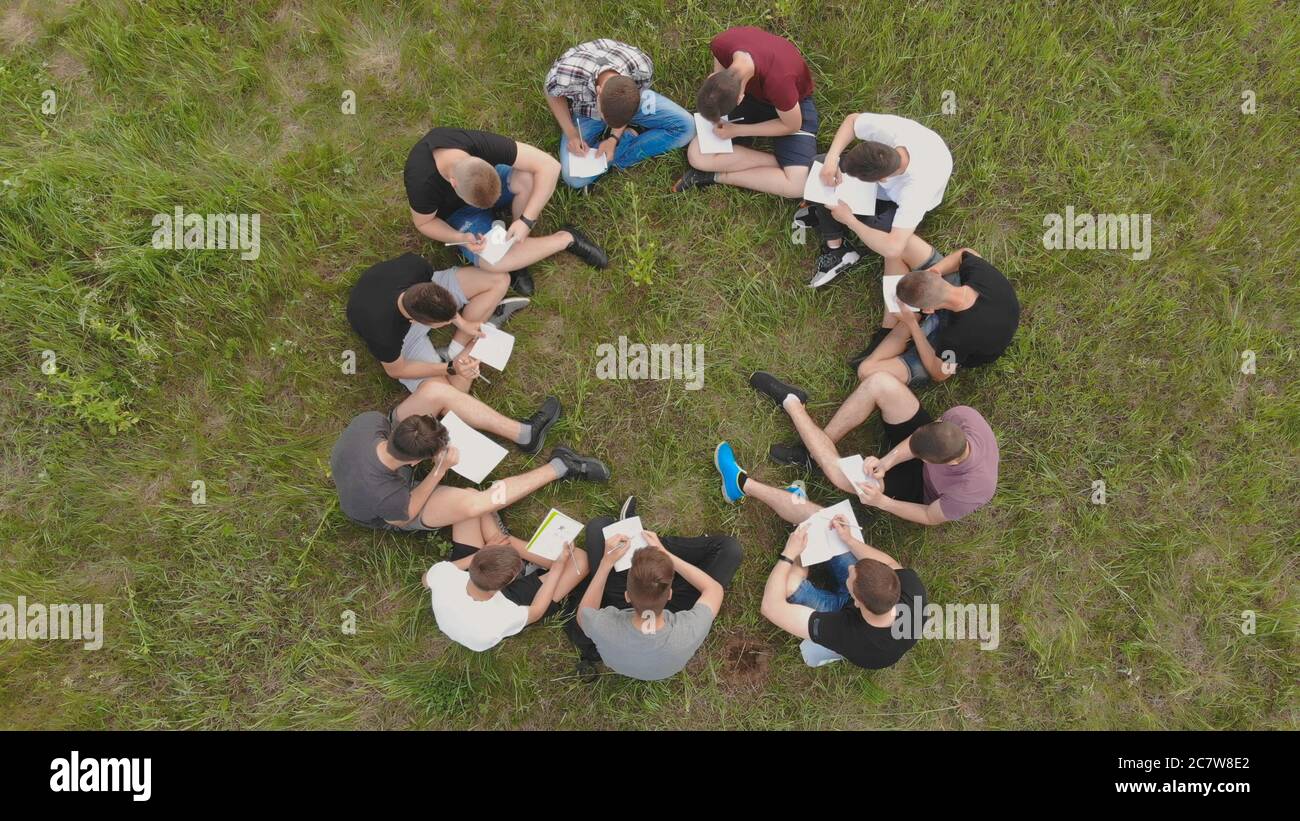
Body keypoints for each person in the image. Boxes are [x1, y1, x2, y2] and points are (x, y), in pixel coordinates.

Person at [724, 371, 999, 526]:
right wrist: (888, 461)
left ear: (947, 464)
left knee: (842, 476)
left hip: (919, 489)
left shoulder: (973, 489)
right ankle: (811, 452)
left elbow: (929, 516)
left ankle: (792, 403)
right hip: (930, 447)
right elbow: (918, 440)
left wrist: (883, 502)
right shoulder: (964, 417)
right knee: (880, 383)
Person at [403, 126, 609, 296]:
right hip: (460, 215)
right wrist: (460, 236)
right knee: (492, 261)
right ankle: (566, 238)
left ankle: (517, 242)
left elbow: (550, 166)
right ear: (453, 183)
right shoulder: (421, 182)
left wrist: (526, 221)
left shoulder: (475, 143)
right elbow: (424, 223)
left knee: (527, 178)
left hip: (490, 184)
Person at [329, 408, 608, 533]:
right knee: (477, 502)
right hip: (386, 513)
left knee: (436, 392)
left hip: (367, 472)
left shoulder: (368, 423)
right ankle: (560, 466)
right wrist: (439, 471)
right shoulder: (389, 500)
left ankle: (525, 433)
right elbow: (406, 515)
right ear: (415, 463)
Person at [568, 497, 741, 681]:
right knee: (730, 550)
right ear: (671, 593)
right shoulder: (687, 631)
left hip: (629, 618)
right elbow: (713, 589)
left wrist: (606, 562)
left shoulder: (603, 626)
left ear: (627, 595)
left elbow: (584, 614)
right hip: (672, 616)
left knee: (598, 527)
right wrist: (666, 555)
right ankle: (654, 546)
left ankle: (638, 540)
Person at [802, 112, 953, 288]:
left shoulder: (915, 192)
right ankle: (832, 227)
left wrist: (850, 220)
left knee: (878, 229)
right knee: (818, 164)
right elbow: (852, 120)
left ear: (881, 180)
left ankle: (840, 249)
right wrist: (832, 159)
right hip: (886, 184)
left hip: (894, 205)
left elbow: (893, 248)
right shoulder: (895, 132)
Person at [346, 252, 529, 395]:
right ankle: (480, 340)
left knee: (499, 279)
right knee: (452, 395)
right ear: (418, 322)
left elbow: (436, 291)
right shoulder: (384, 335)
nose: (453, 320)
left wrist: (463, 322)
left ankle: (454, 351)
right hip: (401, 337)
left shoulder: (417, 267)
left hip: (409, 291)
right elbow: (397, 370)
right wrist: (449, 368)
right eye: (447, 321)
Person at [760, 515, 926, 668]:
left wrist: (789, 554)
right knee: (831, 534)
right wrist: (849, 540)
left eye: (851, 576)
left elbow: (770, 607)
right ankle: (806, 533)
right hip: (865, 612)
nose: (850, 567)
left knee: (789, 586)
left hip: (850, 625)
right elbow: (889, 562)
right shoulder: (912, 589)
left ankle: (800, 553)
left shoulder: (849, 636)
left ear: (857, 600)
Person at [672, 26, 818, 199]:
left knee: (797, 186)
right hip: (755, 97)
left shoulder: (780, 82)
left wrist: (737, 130)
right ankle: (783, 165)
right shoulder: (721, 44)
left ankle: (718, 176)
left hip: (793, 108)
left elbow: (793, 125)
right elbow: (718, 73)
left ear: (740, 98)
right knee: (696, 156)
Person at [849, 247, 1020, 384]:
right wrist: (936, 268)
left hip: (965, 342)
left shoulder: (954, 339)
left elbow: (941, 373)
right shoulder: (979, 272)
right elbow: (965, 253)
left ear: (929, 310)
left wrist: (912, 325)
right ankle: (898, 325)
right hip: (994, 312)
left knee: (866, 370)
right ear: (936, 277)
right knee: (896, 247)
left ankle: (903, 327)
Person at [544, 39, 695, 189]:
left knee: (687, 126)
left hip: (626, 100)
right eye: (605, 119)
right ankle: (627, 141)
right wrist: (572, 133)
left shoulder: (641, 68)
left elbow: (627, 107)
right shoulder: (567, 76)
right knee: (573, 178)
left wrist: (614, 139)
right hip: (585, 110)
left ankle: (612, 154)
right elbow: (551, 92)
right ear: (598, 93)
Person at [423, 518, 590, 653]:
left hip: (478, 586)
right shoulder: (503, 616)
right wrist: (558, 566)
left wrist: (482, 553)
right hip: (504, 606)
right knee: (580, 561)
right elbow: (536, 611)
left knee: (474, 508)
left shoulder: (444, 575)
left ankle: (501, 542)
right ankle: (509, 542)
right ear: (511, 581)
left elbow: (425, 579)